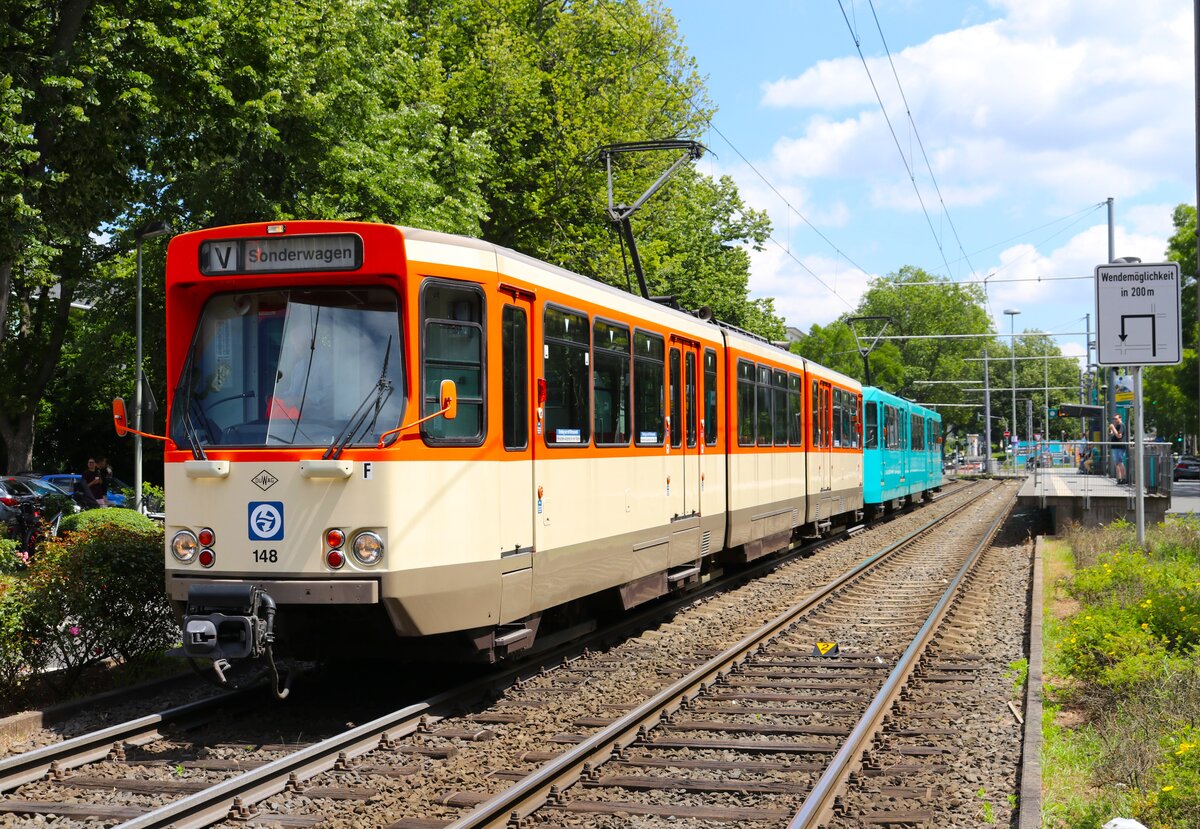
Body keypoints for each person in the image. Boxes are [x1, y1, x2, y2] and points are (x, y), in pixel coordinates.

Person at [1109, 413, 1128, 484]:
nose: (1115, 420)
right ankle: (1119, 479)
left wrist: (1113, 428)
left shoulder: (1121, 425)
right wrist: (1111, 429)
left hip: (1119, 447)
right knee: (1117, 463)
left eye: (1116, 419)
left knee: (1120, 462)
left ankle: (1123, 478)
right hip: (1116, 447)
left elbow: (1119, 436)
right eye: (1114, 419)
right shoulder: (1117, 426)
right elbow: (1112, 434)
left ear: (1120, 418)